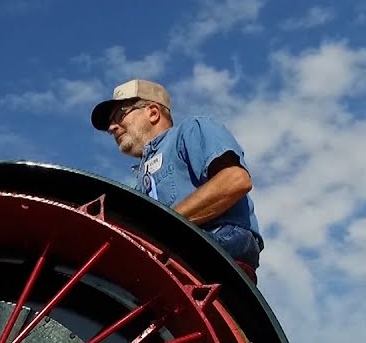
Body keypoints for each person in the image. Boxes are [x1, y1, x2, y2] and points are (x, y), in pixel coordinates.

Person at [90, 79, 264, 281]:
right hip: (184, 246)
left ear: (153, 112)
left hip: (222, 236)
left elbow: (235, 180)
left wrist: (161, 227)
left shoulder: (191, 130)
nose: (112, 127)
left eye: (120, 115)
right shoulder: (140, 181)